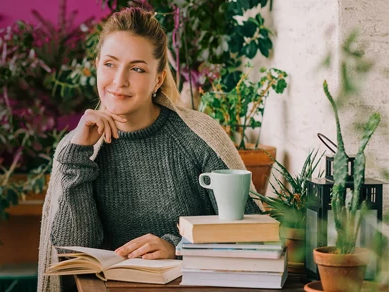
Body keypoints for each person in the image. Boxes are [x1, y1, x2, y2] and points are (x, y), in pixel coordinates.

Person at [36, 7, 262, 292]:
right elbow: (73, 257)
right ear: (96, 65)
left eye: (137, 68)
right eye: (109, 64)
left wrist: (177, 246)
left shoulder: (198, 136)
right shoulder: (76, 149)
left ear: (158, 78)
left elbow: (253, 231)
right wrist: (76, 158)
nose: (119, 81)